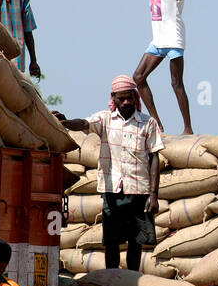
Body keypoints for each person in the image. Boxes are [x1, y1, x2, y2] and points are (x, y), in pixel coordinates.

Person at [53, 76, 163, 271]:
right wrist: (67, 122)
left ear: (135, 96)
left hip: (139, 190)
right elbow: (84, 123)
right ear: (114, 98)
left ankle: (132, 278)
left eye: (129, 98)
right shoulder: (105, 119)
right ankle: (112, 278)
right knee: (111, 240)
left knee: (135, 240)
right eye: (122, 99)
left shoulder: (148, 123)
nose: (126, 102)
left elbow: (155, 158)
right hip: (112, 190)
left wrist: (154, 195)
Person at [122, 0, 194, 135]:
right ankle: (157, 123)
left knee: (176, 83)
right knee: (138, 77)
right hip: (158, 40)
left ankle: (187, 128)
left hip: (174, 39)